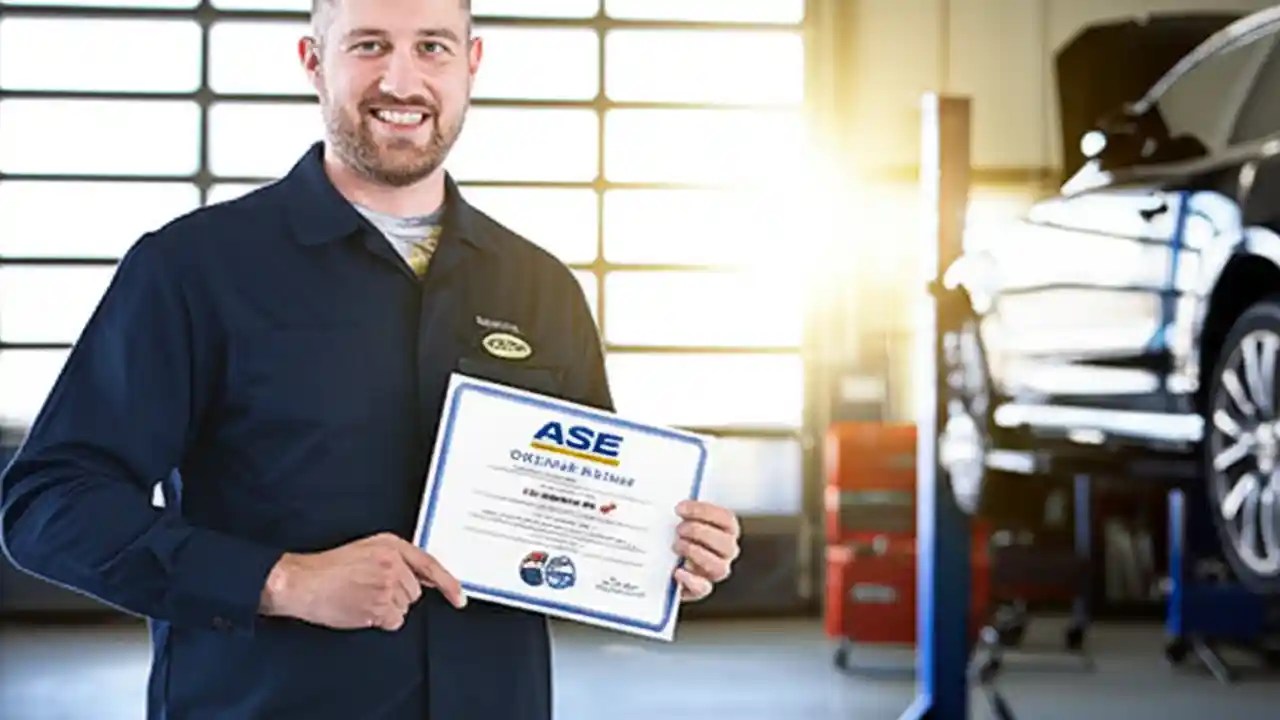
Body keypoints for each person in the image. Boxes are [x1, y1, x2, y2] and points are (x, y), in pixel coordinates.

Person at [0, 0, 742, 717]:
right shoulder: (192, 271)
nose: (402, 80)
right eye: (369, 45)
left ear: (470, 63)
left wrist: (667, 551)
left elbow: (582, 514)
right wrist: (282, 581)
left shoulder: (538, 286)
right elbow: (48, 505)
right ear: (313, 60)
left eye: (432, 46)